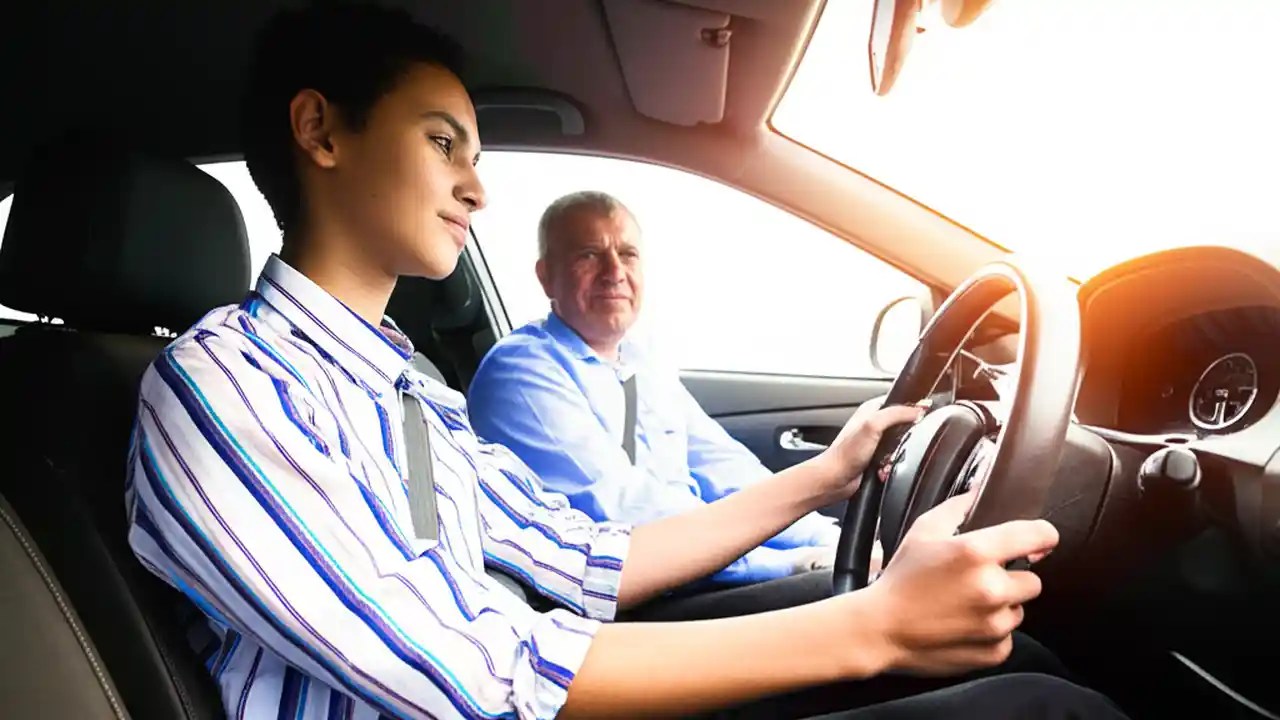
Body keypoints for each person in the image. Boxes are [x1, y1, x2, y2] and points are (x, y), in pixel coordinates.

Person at [123, 4, 1127, 719]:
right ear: (319, 132)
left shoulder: (405, 395)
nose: (475, 189)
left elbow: (581, 560)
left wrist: (825, 475)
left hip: (525, 682)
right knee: (1037, 706)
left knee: (1018, 665)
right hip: (495, 697)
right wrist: (874, 624)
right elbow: (470, 678)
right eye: (444, 143)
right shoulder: (223, 388)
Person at [468, 191, 858, 610]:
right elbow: (625, 510)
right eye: (589, 255)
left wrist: (826, 537)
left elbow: (725, 467)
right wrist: (789, 564)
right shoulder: (522, 372)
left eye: (628, 254)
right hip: (624, 601)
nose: (614, 271)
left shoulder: (640, 361)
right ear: (547, 276)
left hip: (699, 569)